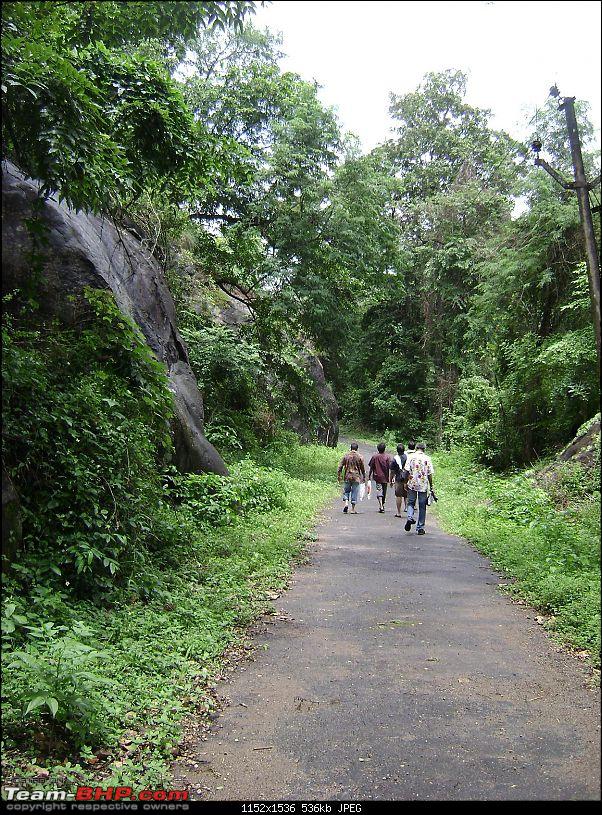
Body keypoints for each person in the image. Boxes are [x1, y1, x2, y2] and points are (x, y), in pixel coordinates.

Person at [404, 442, 434, 535]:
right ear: (424, 449)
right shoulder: (427, 458)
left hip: (412, 483)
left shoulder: (411, 457)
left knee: (411, 502)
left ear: (416, 448)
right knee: (422, 506)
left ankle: (409, 517)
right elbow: (429, 474)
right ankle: (420, 527)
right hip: (423, 485)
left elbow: (406, 470)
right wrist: (431, 485)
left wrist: (405, 482)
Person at [337, 442, 366, 514]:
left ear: (351, 448)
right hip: (356, 477)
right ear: (357, 448)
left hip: (347, 476)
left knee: (346, 491)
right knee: (354, 492)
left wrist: (339, 476)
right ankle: (352, 509)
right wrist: (364, 476)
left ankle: (346, 503)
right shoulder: (360, 457)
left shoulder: (346, 456)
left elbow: (340, 466)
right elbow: (362, 468)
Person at [368, 442, 392, 513]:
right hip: (385, 476)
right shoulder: (387, 457)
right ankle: (382, 505)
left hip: (377, 476)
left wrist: (369, 476)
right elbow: (390, 467)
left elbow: (371, 467)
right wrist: (391, 477)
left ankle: (381, 505)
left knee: (379, 490)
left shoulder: (375, 457)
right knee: (384, 491)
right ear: (384, 449)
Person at [389, 443, 408, 517]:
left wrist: (390, 480)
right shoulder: (407, 457)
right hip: (406, 478)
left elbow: (392, 471)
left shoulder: (395, 459)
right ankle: (407, 509)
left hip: (398, 479)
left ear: (397, 450)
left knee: (398, 495)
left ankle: (399, 512)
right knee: (406, 495)